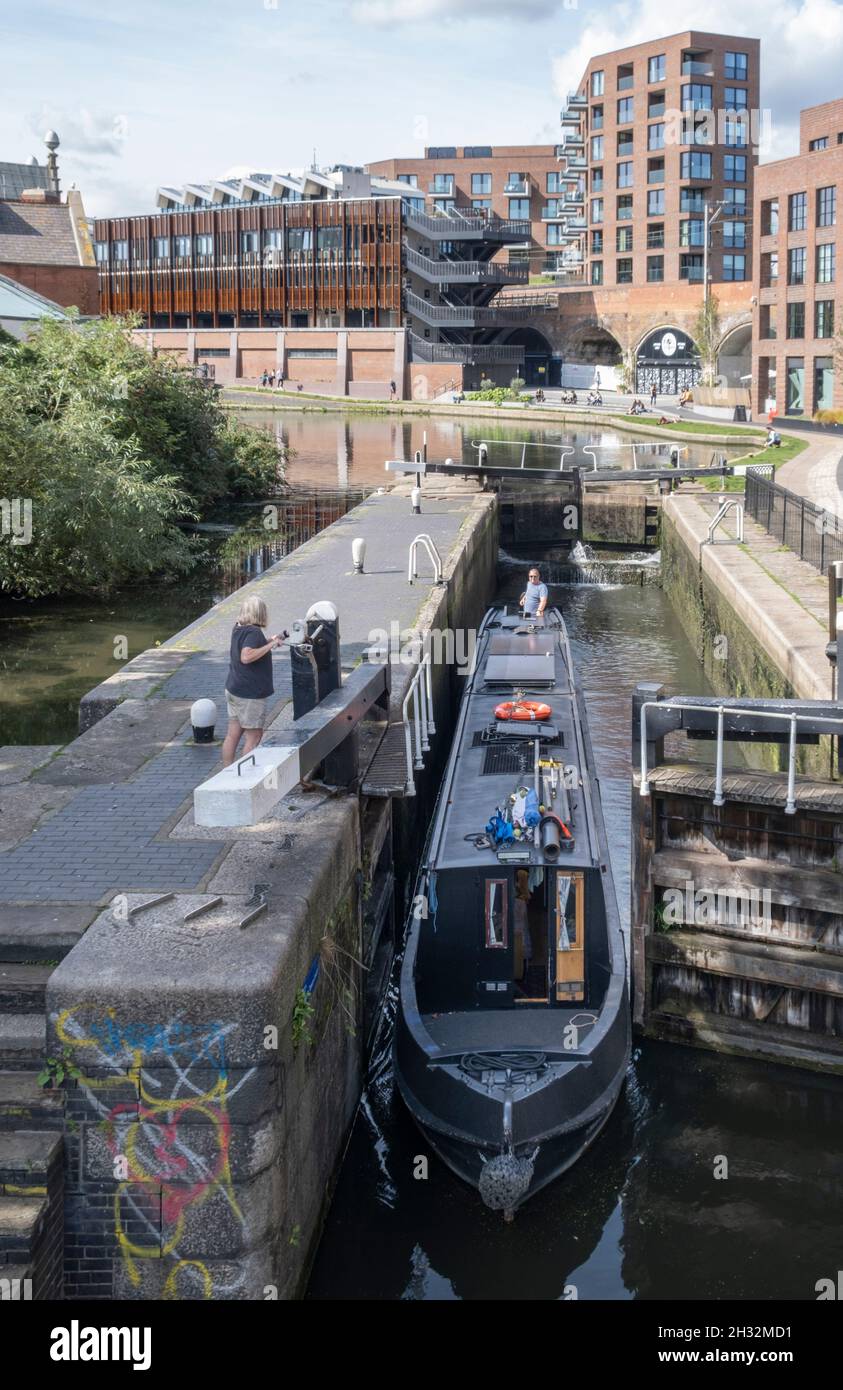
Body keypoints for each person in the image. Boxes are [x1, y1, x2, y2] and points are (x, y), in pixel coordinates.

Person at [222, 597, 288, 768]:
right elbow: (246, 656)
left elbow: (249, 647)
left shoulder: (239, 627)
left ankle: (226, 773)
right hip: (249, 694)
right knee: (254, 737)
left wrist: (270, 640)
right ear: (260, 613)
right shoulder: (253, 632)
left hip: (234, 688)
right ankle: (245, 776)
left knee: (232, 735)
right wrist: (271, 644)